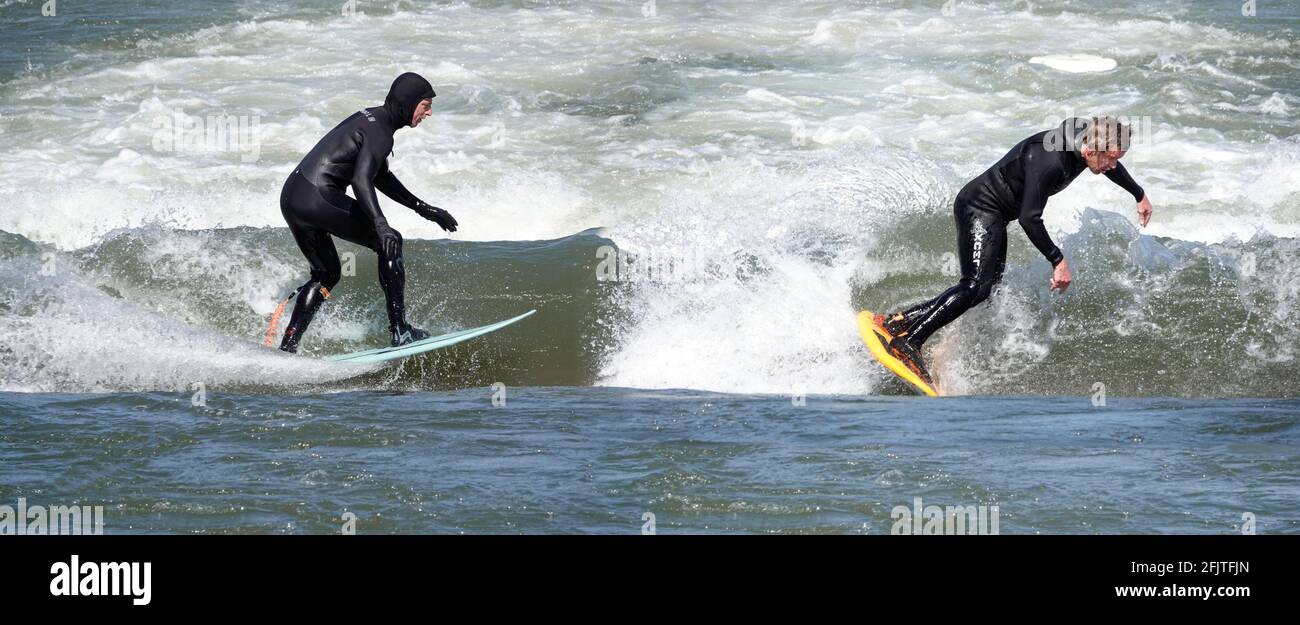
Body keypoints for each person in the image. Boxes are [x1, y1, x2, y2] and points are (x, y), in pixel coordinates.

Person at [879, 116, 1153, 383]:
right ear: (1091, 150)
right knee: (974, 286)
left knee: (986, 290)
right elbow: (1029, 218)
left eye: (1118, 159)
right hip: (980, 207)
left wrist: (1138, 194)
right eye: (1110, 159)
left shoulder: (1089, 141)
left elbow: (1111, 165)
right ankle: (909, 343)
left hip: (996, 215)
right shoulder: (1049, 161)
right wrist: (1058, 261)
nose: (1113, 166)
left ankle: (899, 322)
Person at [276, 72, 458, 353]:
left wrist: (424, 209)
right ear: (408, 103)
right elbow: (362, 180)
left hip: (293, 196)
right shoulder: (381, 133)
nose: (429, 113)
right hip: (318, 196)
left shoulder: (373, 120)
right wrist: (381, 226)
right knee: (390, 241)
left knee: (326, 274)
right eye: (425, 105)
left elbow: (379, 176)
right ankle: (400, 330)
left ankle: (287, 348)